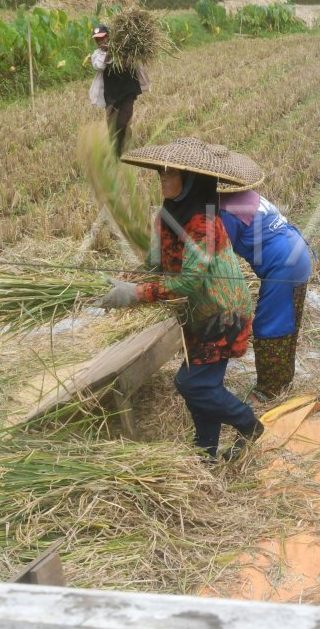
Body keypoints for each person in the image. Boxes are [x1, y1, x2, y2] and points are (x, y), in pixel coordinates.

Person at [98, 137, 262, 461]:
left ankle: (249, 425)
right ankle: (206, 453)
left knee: (193, 384)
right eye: (161, 172)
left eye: (171, 173)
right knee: (202, 386)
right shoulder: (165, 216)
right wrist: (125, 282)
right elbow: (154, 265)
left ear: (192, 181)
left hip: (222, 312)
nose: (163, 178)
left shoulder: (205, 222)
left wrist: (136, 294)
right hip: (197, 314)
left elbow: (188, 280)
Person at [215, 156, 313, 405]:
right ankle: (282, 382)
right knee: (287, 321)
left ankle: (270, 391)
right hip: (296, 251)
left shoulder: (225, 212)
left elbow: (217, 258)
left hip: (283, 265)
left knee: (271, 326)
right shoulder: (247, 196)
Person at [88, 23, 150, 156]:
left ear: (109, 36)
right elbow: (99, 66)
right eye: (97, 39)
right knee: (112, 127)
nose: (100, 42)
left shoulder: (123, 48)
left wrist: (118, 48)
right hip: (111, 94)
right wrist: (109, 52)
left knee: (122, 122)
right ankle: (116, 155)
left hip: (128, 90)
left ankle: (125, 145)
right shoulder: (97, 55)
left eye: (102, 38)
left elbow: (135, 55)